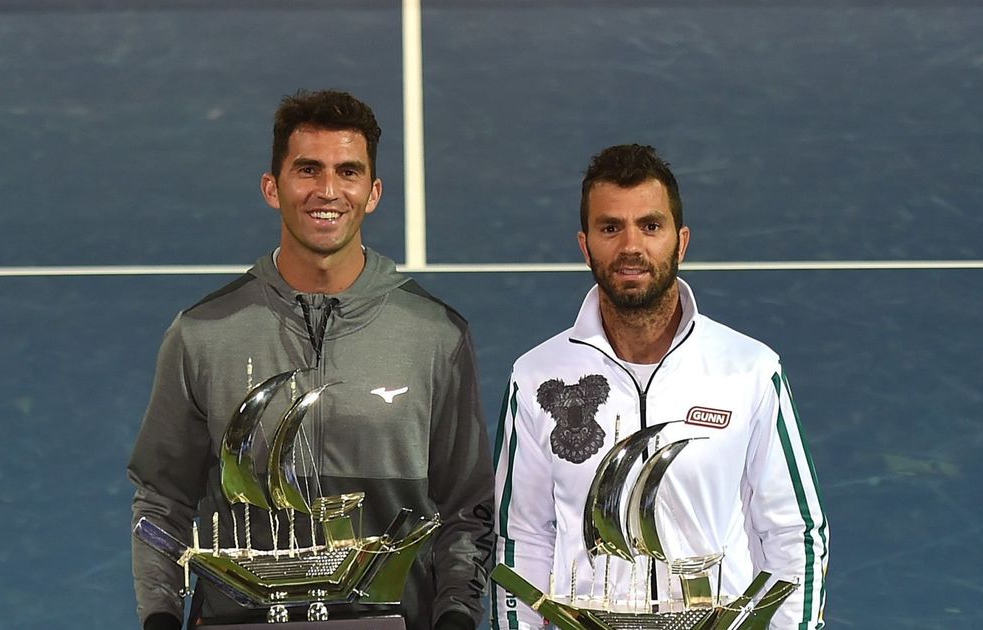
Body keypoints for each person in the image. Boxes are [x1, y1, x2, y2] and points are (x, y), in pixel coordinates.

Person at [128, 89, 494, 630]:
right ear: (271, 188)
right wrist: (160, 617)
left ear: (373, 192)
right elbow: (163, 499)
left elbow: (467, 508)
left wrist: (456, 618)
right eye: (307, 170)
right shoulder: (203, 333)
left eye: (348, 172)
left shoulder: (436, 336)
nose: (328, 190)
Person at [491, 144, 828, 629]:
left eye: (650, 226)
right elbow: (521, 537)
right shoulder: (537, 377)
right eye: (611, 228)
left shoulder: (749, 370)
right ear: (585, 245)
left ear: (680, 241)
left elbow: (794, 532)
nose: (631, 246)